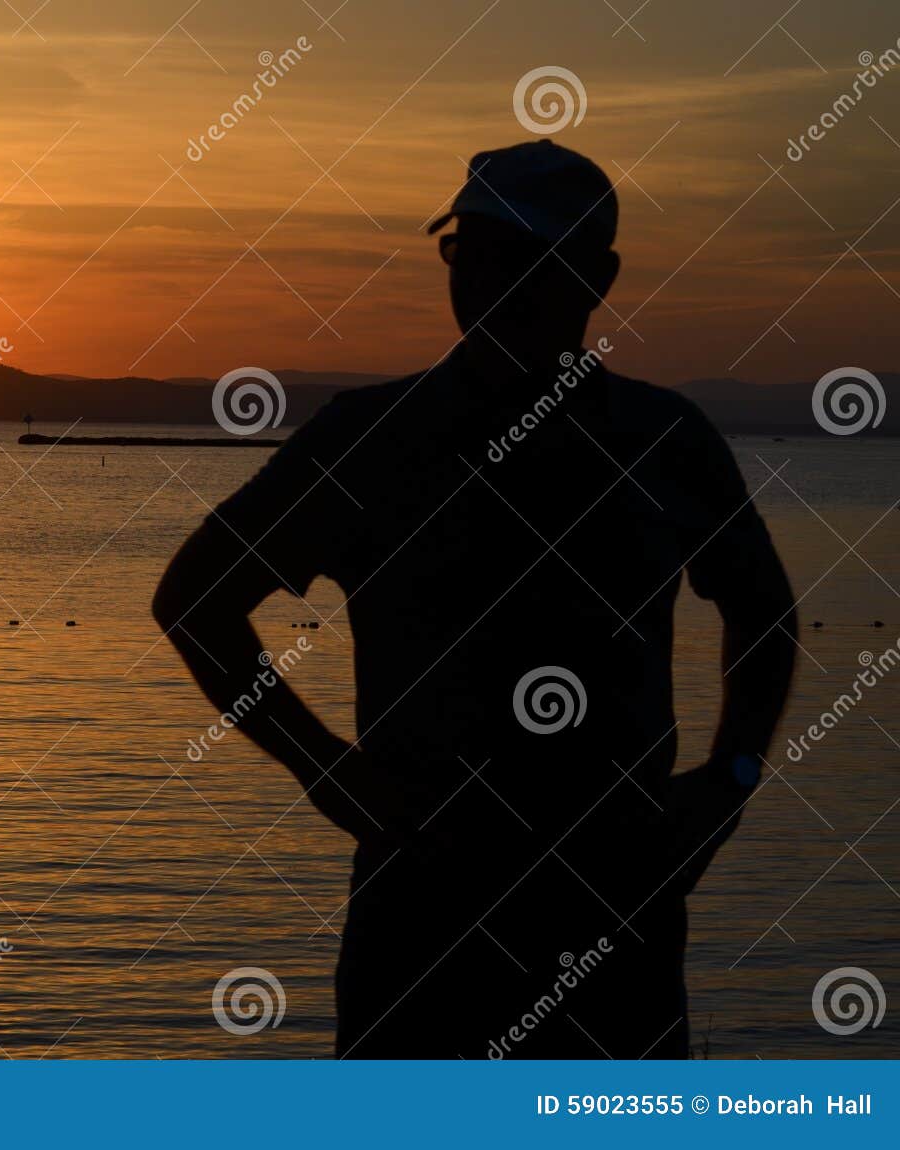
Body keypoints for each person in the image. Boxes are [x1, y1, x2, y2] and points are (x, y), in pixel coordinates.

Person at [151, 140, 797, 1059]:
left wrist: (730, 781)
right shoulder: (371, 439)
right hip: (422, 920)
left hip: (613, 916)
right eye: (474, 250)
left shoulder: (664, 439)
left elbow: (764, 612)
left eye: (527, 256)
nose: (494, 279)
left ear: (598, 276)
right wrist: (326, 770)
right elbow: (195, 599)